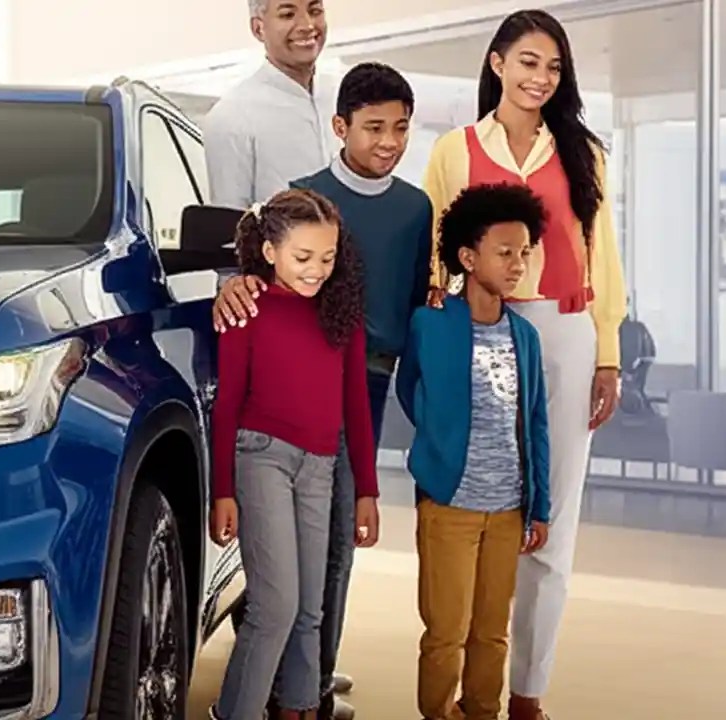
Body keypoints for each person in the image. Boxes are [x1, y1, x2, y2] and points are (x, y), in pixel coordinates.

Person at [419, 9, 627, 719]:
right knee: (476, 498)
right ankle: (462, 686)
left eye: (554, 67)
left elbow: (603, 254)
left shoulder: (583, 153)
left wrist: (607, 354)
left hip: (565, 333)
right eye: (529, 62)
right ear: (498, 63)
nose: (541, 78)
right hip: (480, 331)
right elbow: (436, 259)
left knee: (552, 515)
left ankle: (527, 692)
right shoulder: (453, 150)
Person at [212, 61, 428, 718]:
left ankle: (307, 695)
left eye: (400, 128)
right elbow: (232, 398)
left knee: (326, 571)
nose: (388, 140)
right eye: (373, 127)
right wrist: (231, 284)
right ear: (341, 127)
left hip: (353, 403)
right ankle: (261, 695)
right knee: (285, 591)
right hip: (272, 429)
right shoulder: (299, 208)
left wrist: (371, 485)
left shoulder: (413, 212)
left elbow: (413, 306)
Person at [208, 189, 379, 720]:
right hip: (262, 460)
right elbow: (227, 404)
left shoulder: (341, 314)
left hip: (320, 467)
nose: (316, 270)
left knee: (309, 607)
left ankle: (299, 708)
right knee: (275, 606)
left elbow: (356, 404)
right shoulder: (247, 309)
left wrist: (367, 490)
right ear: (270, 252)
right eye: (303, 257)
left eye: (327, 258)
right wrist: (222, 491)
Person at [395, 182, 552, 720]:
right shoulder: (430, 322)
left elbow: (536, 423)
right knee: (446, 631)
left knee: (492, 631)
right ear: (468, 257)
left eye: (524, 252)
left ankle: (483, 711)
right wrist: (441, 445)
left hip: (508, 509)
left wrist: (539, 506)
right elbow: (409, 389)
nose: (517, 264)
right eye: (504, 252)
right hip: (449, 505)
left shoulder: (526, 337)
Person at [202, 0, 337, 209]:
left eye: (315, 11)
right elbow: (232, 219)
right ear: (258, 28)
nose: (307, 25)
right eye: (288, 15)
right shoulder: (232, 116)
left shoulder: (345, 93)